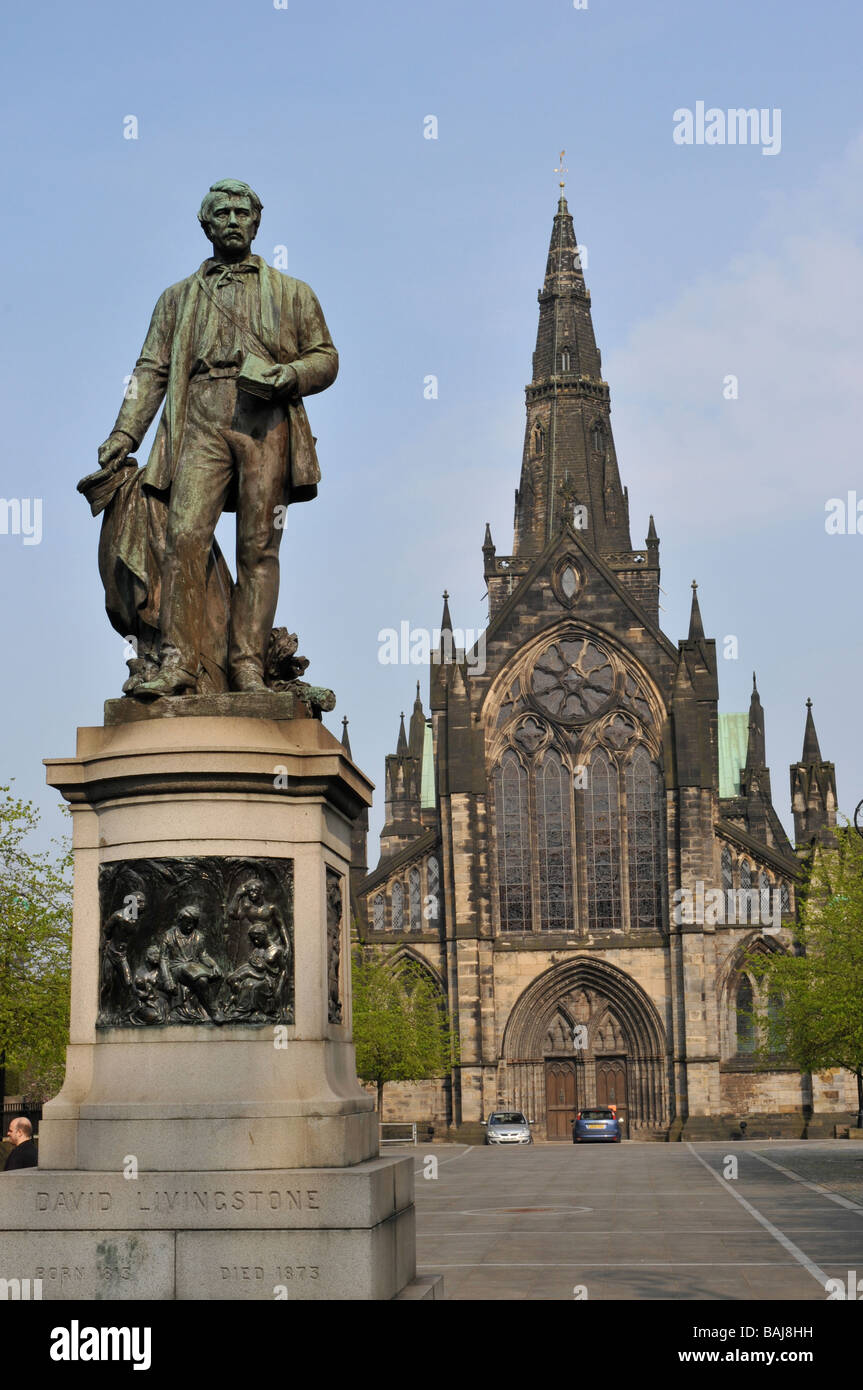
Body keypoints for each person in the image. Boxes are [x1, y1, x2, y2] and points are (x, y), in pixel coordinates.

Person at [93, 178, 338, 697]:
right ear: (205, 225)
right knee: (183, 537)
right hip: (199, 417)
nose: (232, 220)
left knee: (259, 547)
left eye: (242, 213)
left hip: (264, 421)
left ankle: (247, 666)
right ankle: (179, 664)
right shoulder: (176, 299)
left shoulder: (293, 293)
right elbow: (150, 370)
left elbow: (325, 357)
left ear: (257, 222)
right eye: (221, 213)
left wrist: (286, 376)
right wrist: (124, 432)